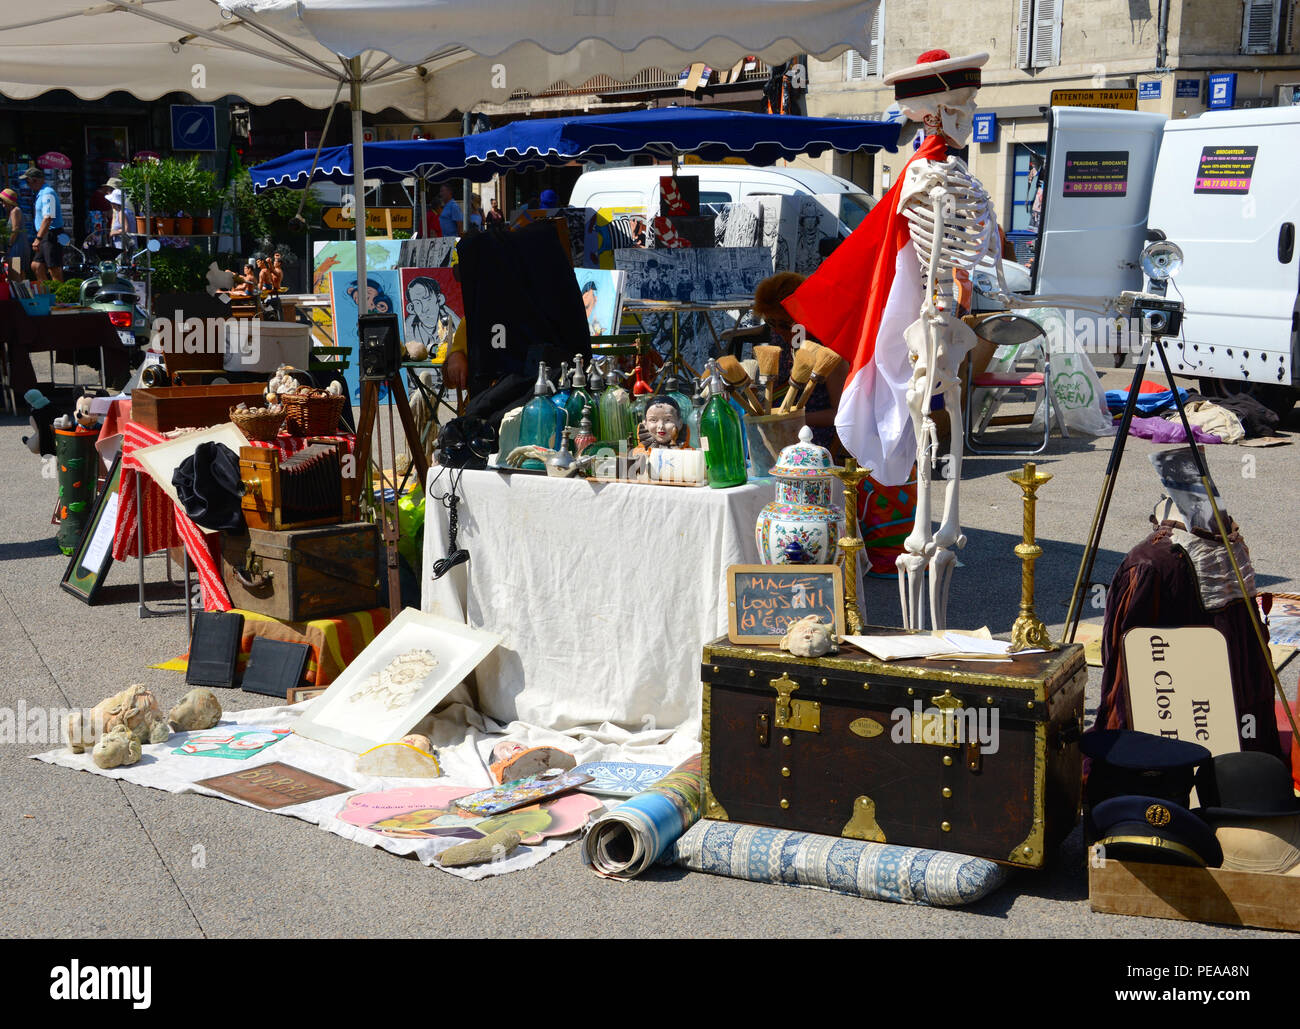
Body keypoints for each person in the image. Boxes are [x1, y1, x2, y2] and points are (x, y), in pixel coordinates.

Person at [752, 271, 847, 453]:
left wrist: (793, 419)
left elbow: (839, 415)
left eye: (785, 325)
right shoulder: (780, 338)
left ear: (805, 318)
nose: (778, 331)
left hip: (813, 437)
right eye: (771, 323)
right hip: (780, 428)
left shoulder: (829, 348)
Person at [25, 167, 64, 283]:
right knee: (36, 266)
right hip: (44, 234)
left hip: (51, 234)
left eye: (28, 182)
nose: (27, 185)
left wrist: (38, 238)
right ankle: (47, 293)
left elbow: (48, 218)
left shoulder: (48, 193)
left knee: (53, 267)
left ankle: (60, 296)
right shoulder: (41, 193)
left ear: (35, 180)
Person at [1, 188, 26, 283]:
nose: (1, 203)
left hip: (16, 248)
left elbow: (15, 229)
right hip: (17, 247)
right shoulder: (14, 211)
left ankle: (20, 295)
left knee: (16, 274)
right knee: (19, 273)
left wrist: (9, 245)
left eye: (2, 201)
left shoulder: (15, 211)